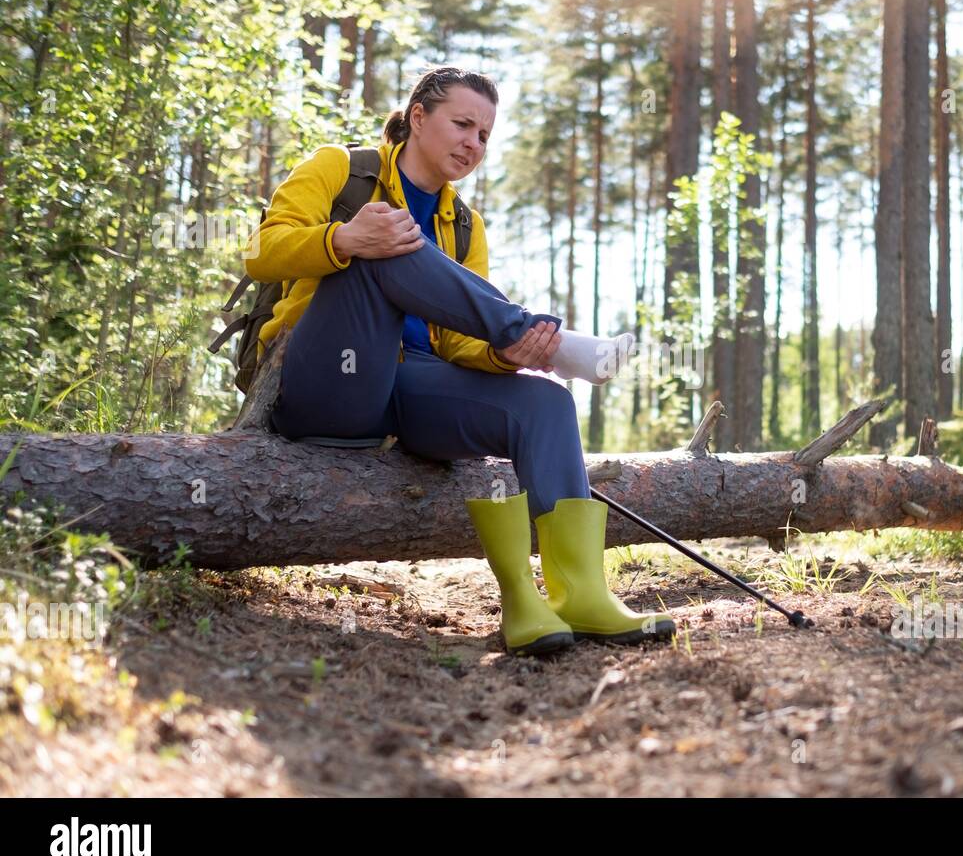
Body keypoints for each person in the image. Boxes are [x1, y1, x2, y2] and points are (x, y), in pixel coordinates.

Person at [243, 65, 674, 656]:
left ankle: (561, 597)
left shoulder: (464, 222)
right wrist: (343, 240)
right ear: (418, 117)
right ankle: (541, 330)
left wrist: (505, 354)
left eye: (484, 135)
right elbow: (261, 251)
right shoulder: (340, 169)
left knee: (545, 402)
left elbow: (456, 343)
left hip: (410, 393)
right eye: (462, 124)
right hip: (329, 382)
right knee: (383, 240)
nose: (473, 143)